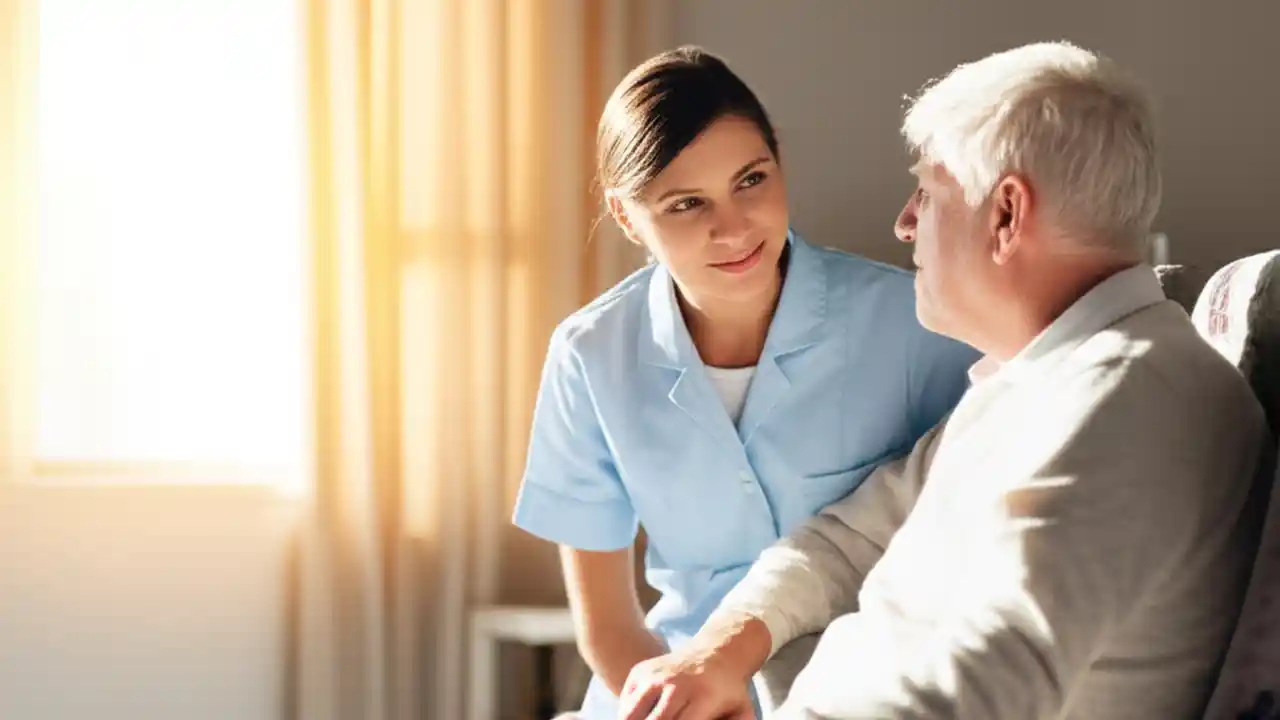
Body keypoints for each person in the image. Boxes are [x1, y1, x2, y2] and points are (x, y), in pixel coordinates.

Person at [618, 41, 1271, 720]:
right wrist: (717, 652)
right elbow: (844, 542)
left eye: (928, 193)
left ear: (1006, 215)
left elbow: (970, 697)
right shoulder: (1041, 381)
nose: (904, 224)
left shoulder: (1122, 405)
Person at [510, 46, 977, 718]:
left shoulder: (911, 323)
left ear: (778, 159)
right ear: (626, 216)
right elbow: (609, 627)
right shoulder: (590, 355)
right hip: (669, 686)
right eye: (686, 203)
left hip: (862, 686)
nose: (732, 228)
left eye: (751, 180)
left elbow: (977, 536)